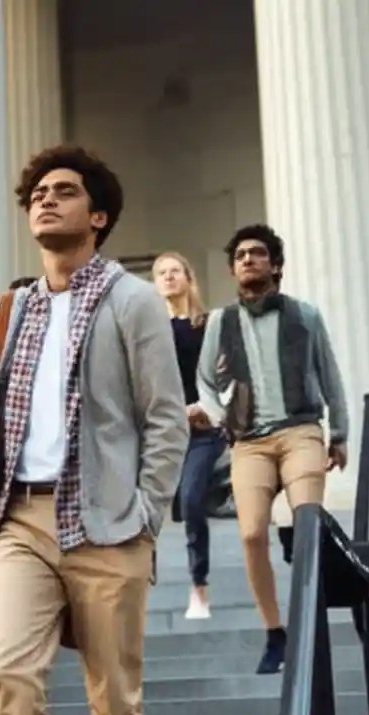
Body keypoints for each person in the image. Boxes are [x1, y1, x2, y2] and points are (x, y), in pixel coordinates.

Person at [0, 145, 188, 715]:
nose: (46, 199)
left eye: (64, 192)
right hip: (20, 522)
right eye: (38, 194)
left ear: (98, 217)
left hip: (108, 521)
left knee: (114, 698)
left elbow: (166, 417)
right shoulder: (6, 311)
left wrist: (145, 513)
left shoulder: (134, 301)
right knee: (7, 672)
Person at [195, 224, 349, 674]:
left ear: (274, 265)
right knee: (250, 533)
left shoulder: (305, 315)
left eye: (257, 253)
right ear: (232, 268)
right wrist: (219, 414)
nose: (248, 260)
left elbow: (330, 375)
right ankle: (275, 632)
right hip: (250, 443)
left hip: (300, 431)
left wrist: (338, 433)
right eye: (240, 255)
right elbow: (205, 380)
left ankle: (308, 608)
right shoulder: (221, 322)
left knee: (306, 524)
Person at [153, 251, 225, 620]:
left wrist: (206, 408)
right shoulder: (150, 331)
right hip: (162, 432)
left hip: (202, 430)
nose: (168, 277)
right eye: (161, 273)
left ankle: (200, 588)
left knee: (193, 500)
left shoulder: (208, 325)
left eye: (175, 271)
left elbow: (225, 376)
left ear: (188, 277)